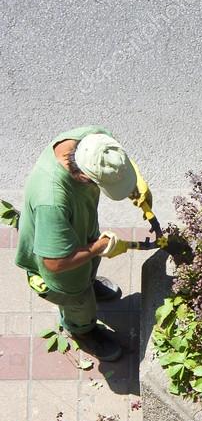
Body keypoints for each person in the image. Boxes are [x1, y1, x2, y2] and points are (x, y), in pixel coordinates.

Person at [15, 126, 152, 361]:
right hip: (62, 269)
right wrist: (98, 247)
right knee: (78, 301)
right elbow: (55, 263)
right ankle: (82, 330)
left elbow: (115, 154)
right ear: (84, 176)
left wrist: (135, 183)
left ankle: (88, 283)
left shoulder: (92, 140)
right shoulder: (52, 201)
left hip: (77, 231)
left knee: (88, 266)